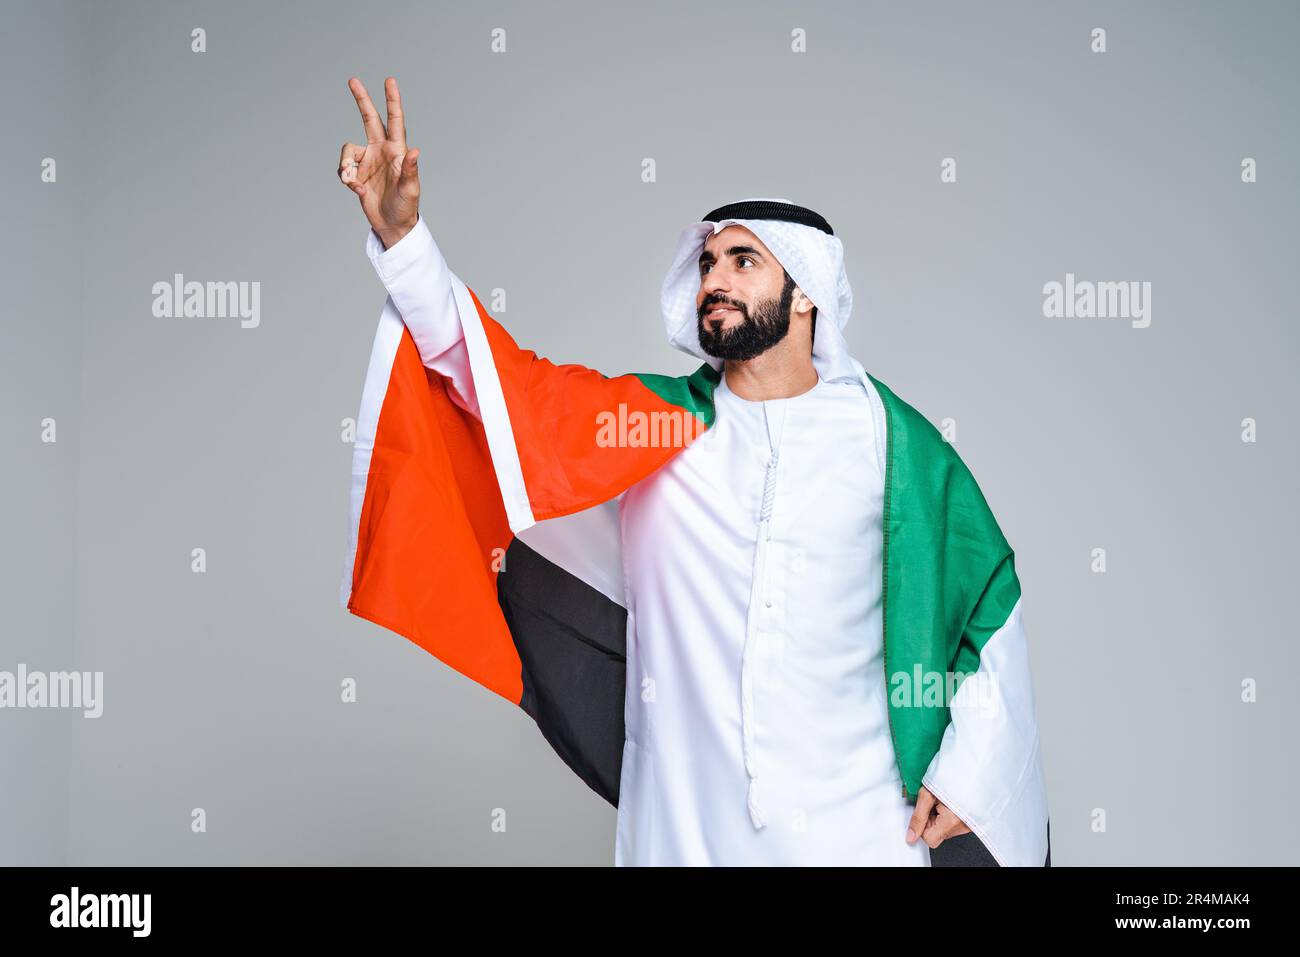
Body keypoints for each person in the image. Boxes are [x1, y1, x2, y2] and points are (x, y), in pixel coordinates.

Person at [337, 76, 1051, 867]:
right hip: (680, 838)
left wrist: (970, 770)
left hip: (862, 839)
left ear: (806, 292)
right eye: (709, 261)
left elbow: (991, 604)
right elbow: (493, 386)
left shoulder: (897, 448)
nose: (715, 278)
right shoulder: (657, 427)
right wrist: (406, 246)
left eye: (744, 260)